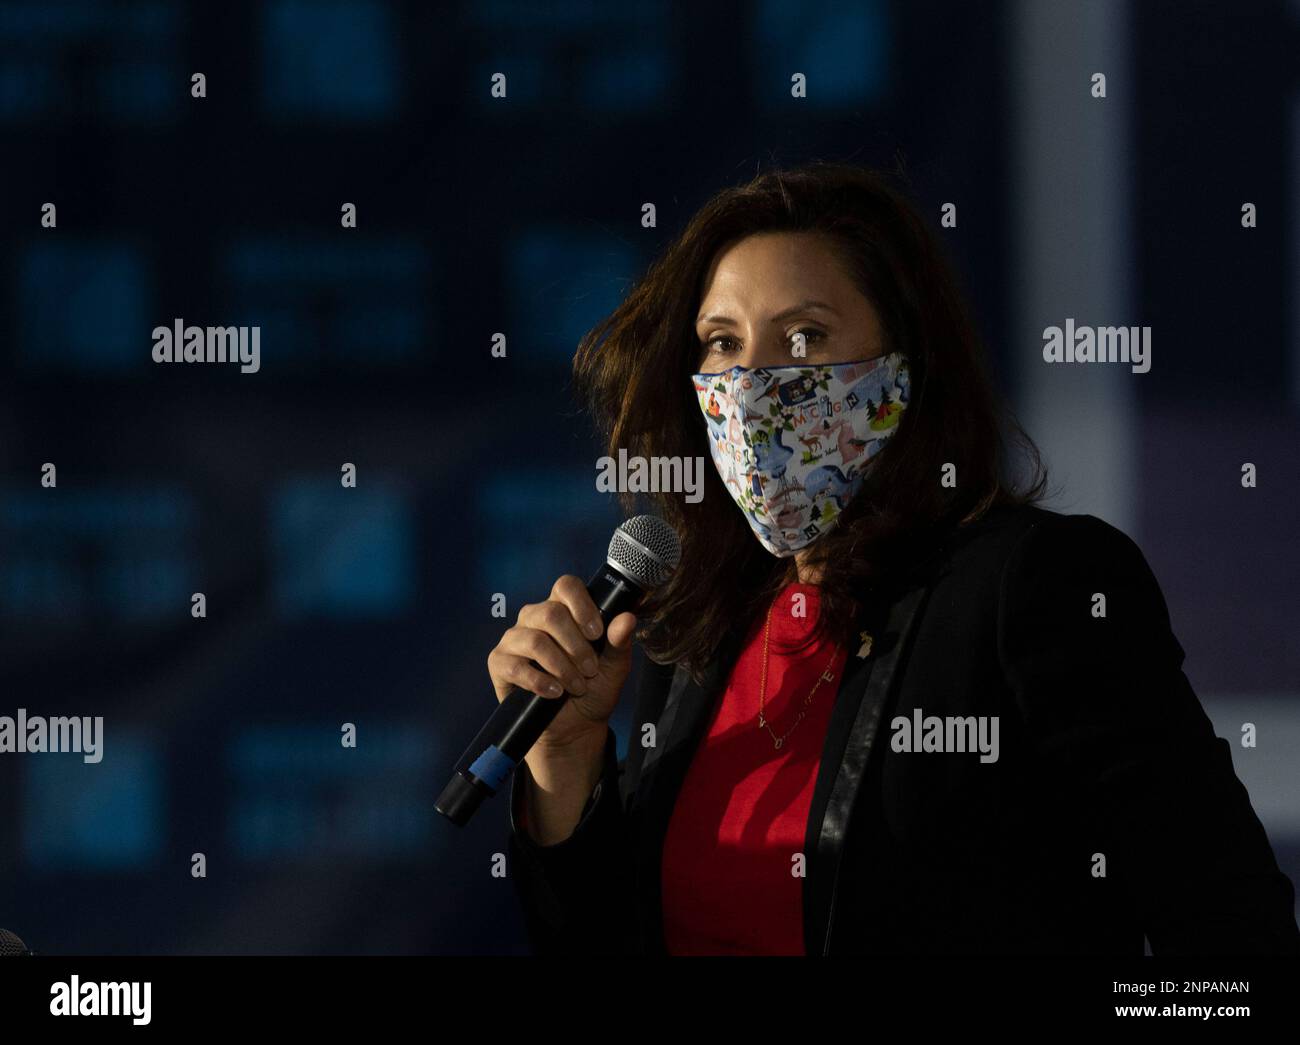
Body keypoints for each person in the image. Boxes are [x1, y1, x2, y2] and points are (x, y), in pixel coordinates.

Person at [487, 161, 1300, 956]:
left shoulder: (1037, 585)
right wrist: (563, 759)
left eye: (803, 336)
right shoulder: (695, 626)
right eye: (722, 341)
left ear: (905, 370)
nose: (750, 383)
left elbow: (1234, 937)